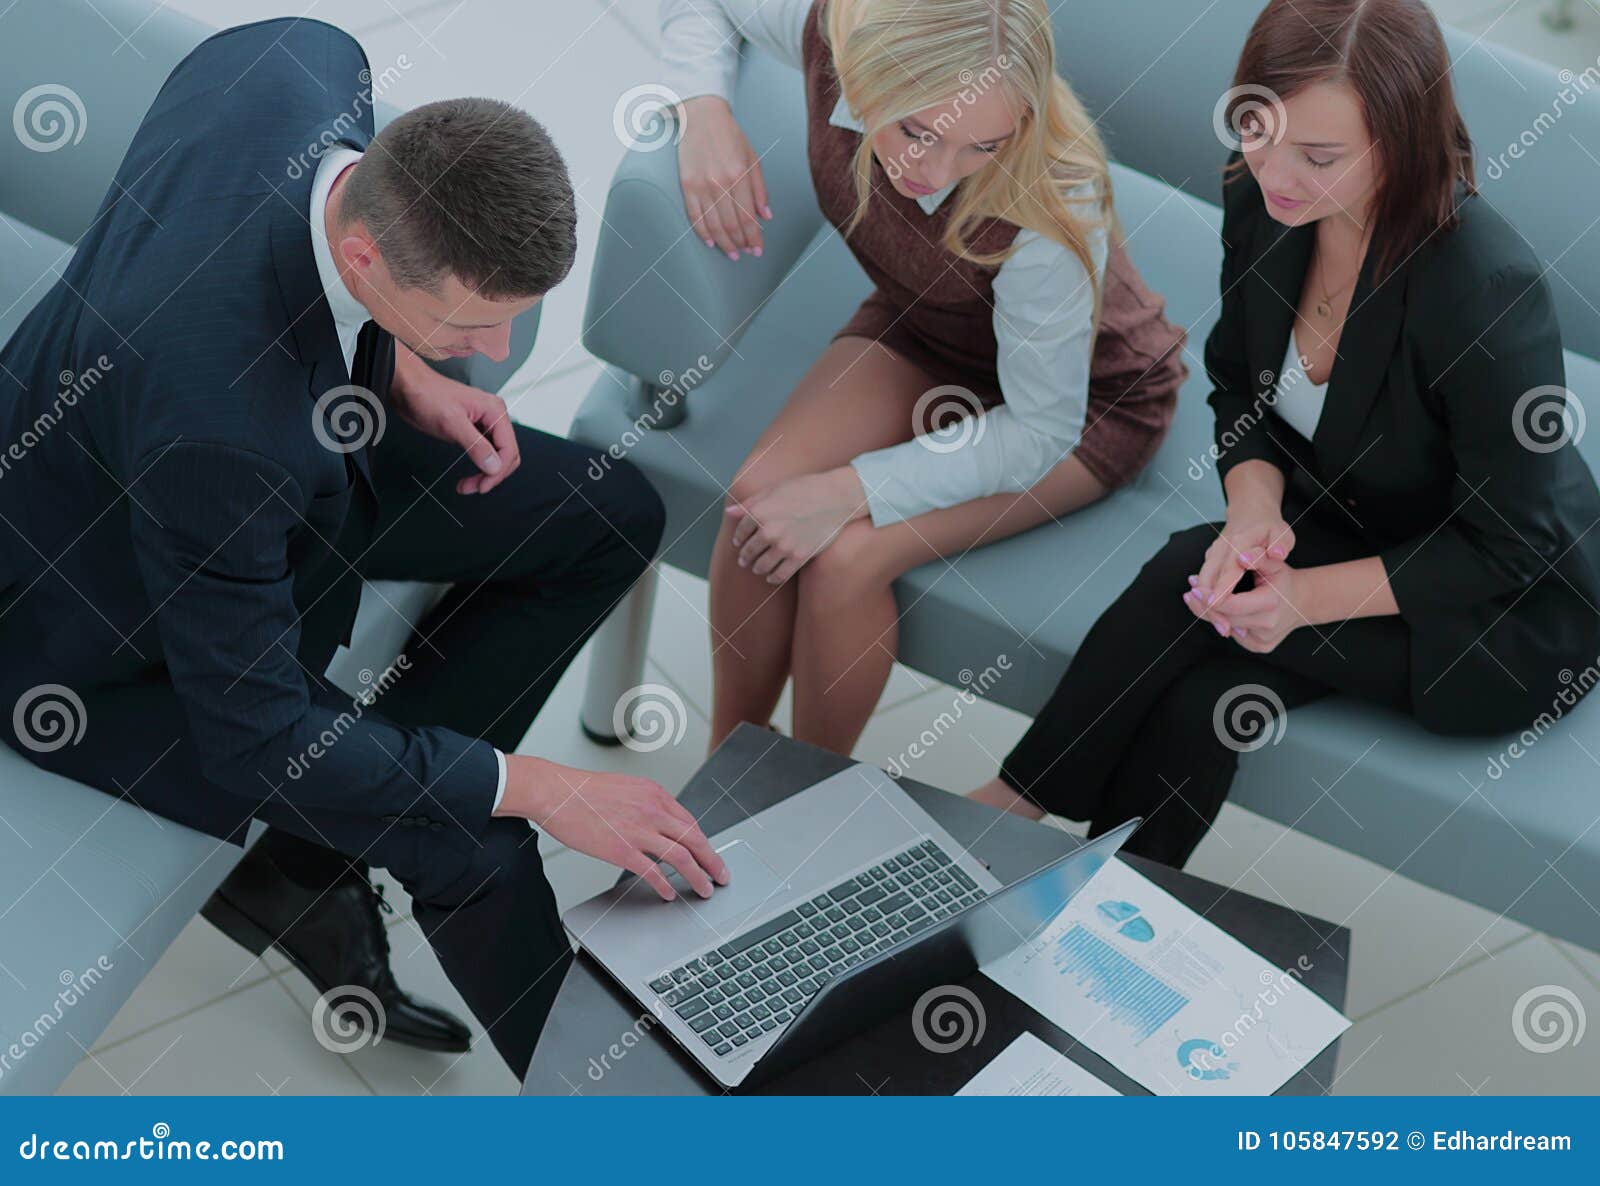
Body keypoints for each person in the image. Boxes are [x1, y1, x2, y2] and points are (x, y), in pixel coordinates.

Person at [0, 18, 726, 1079]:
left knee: (609, 512)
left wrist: (397, 364)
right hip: (102, 626)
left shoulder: (300, 60)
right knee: (476, 840)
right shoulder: (219, 425)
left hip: (284, 446)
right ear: (361, 256)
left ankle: (322, 841)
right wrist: (532, 783)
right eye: (469, 330)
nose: (493, 358)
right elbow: (253, 737)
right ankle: (634, 1120)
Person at [967, 0, 1600, 866]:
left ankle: (1007, 819)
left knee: (1181, 600)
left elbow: (1509, 549)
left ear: (1402, 144)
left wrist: (1303, 600)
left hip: (1493, 611)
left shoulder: (1484, 288)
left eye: (1321, 156)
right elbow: (1238, 384)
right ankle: (1104, 903)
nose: (1277, 171)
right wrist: (1252, 509)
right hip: (1349, 517)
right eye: (1259, 128)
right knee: (1203, 692)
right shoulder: (1262, 192)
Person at [658, 0, 1188, 756]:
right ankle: (726, 765)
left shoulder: (1051, 203)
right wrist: (704, 110)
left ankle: (801, 798)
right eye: (914, 130)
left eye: (981, 146)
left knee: (847, 556)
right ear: (866, 70)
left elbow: (1042, 430)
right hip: (935, 322)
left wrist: (848, 491)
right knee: (755, 506)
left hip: (1083, 408)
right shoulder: (832, 31)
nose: (931, 172)